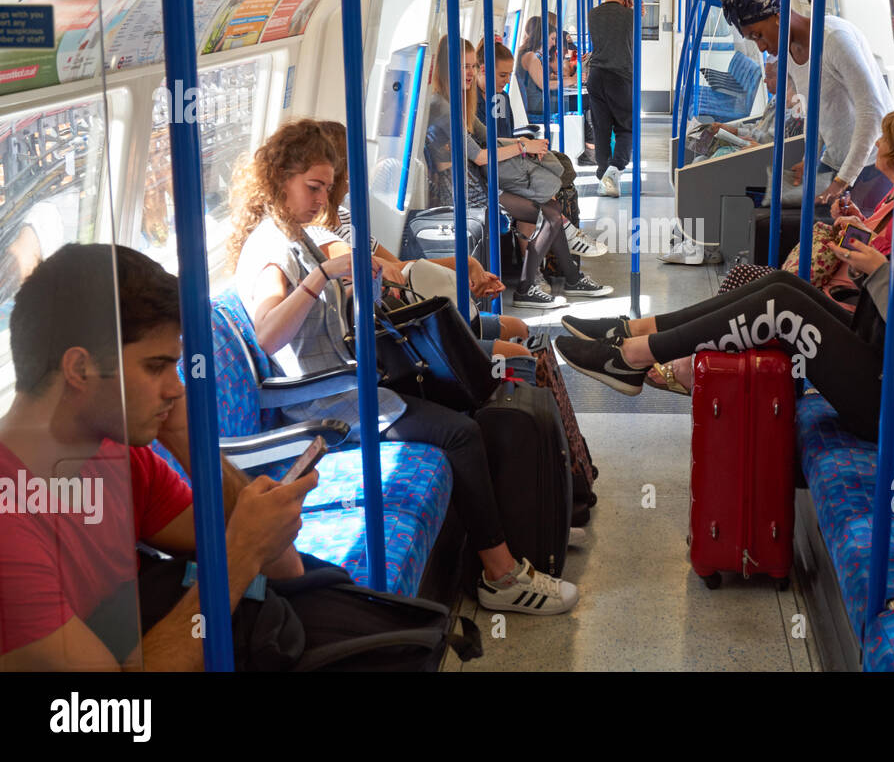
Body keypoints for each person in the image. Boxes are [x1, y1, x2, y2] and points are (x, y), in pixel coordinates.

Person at [229, 119, 580, 614]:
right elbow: (268, 334)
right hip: (324, 404)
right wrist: (323, 278)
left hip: (350, 381)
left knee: (468, 396)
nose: (321, 199)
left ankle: (530, 519)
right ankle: (500, 577)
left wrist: (357, 285)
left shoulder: (300, 236)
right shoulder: (271, 250)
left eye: (327, 188)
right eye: (313, 187)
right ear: (278, 179)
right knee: (460, 432)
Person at [557, 130, 894, 442]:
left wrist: (881, 274)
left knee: (781, 308)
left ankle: (633, 356)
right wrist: (876, 272)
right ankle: (631, 334)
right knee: (779, 286)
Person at [0, 244, 317, 669]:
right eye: (155, 367)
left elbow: (283, 567)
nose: (177, 386)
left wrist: (184, 438)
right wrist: (238, 559)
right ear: (79, 369)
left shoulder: (116, 457)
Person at [650, 108, 894, 394]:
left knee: (758, 297)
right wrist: (855, 219)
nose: (876, 142)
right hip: (844, 283)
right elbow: (883, 237)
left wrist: (857, 243)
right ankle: (694, 359)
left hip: (852, 302)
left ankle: (690, 363)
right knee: (744, 276)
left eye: (884, 139)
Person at [314, 119, 534, 367]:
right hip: (394, 333)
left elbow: (398, 266)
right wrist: (459, 267)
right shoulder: (320, 234)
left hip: (407, 315)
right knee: (519, 355)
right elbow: (381, 270)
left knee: (518, 327)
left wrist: (465, 266)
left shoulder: (344, 216)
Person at [426, 37, 612, 308]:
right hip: (462, 189)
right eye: (462, 67)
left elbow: (487, 136)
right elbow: (479, 156)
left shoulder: (459, 104)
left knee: (551, 208)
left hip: (476, 181)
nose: (468, 73)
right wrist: (524, 146)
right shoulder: (444, 108)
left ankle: (569, 278)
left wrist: (527, 146)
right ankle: (530, 286)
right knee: (549, 214)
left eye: (471, 66)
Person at [718, 0, 892, 207]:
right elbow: (814, 113)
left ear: (778, 18)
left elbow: (872, 112)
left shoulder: (834, 39)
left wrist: (842, 181)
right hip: (836, 159)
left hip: (872, 164)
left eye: (758, 35)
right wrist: (808, 159)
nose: (759, 46)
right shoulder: (789, 52)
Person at [586, 0, 636, 198]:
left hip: (595, 75)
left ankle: (603, 175)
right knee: (627, 127)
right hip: (619, 76)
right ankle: (615, 169)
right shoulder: (630, 16)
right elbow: (628, 41)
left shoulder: (592, 13)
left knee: (601, 129)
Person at [475, 39, 518, 139]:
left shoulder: (502, 98)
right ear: (484, 70)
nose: (507, 81)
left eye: (509, 75)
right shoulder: (466, 99)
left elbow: (506, 136)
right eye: (502, 75)